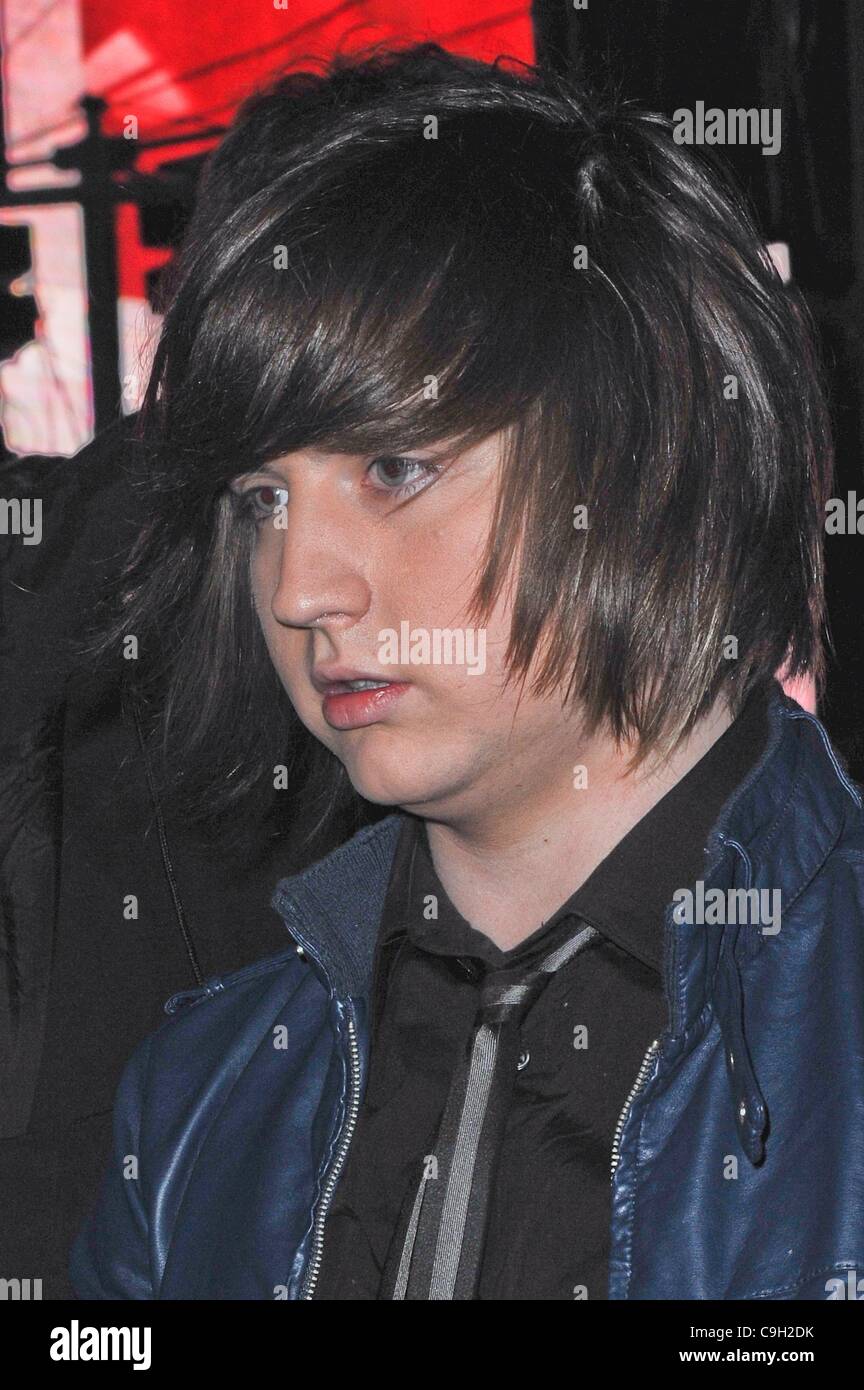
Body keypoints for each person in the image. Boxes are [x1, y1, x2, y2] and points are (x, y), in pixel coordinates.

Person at [69, 42, 864, 1301]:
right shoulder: (202, 1095)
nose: (297, 588)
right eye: (262, 497)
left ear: (646, 452)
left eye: (395, 468)